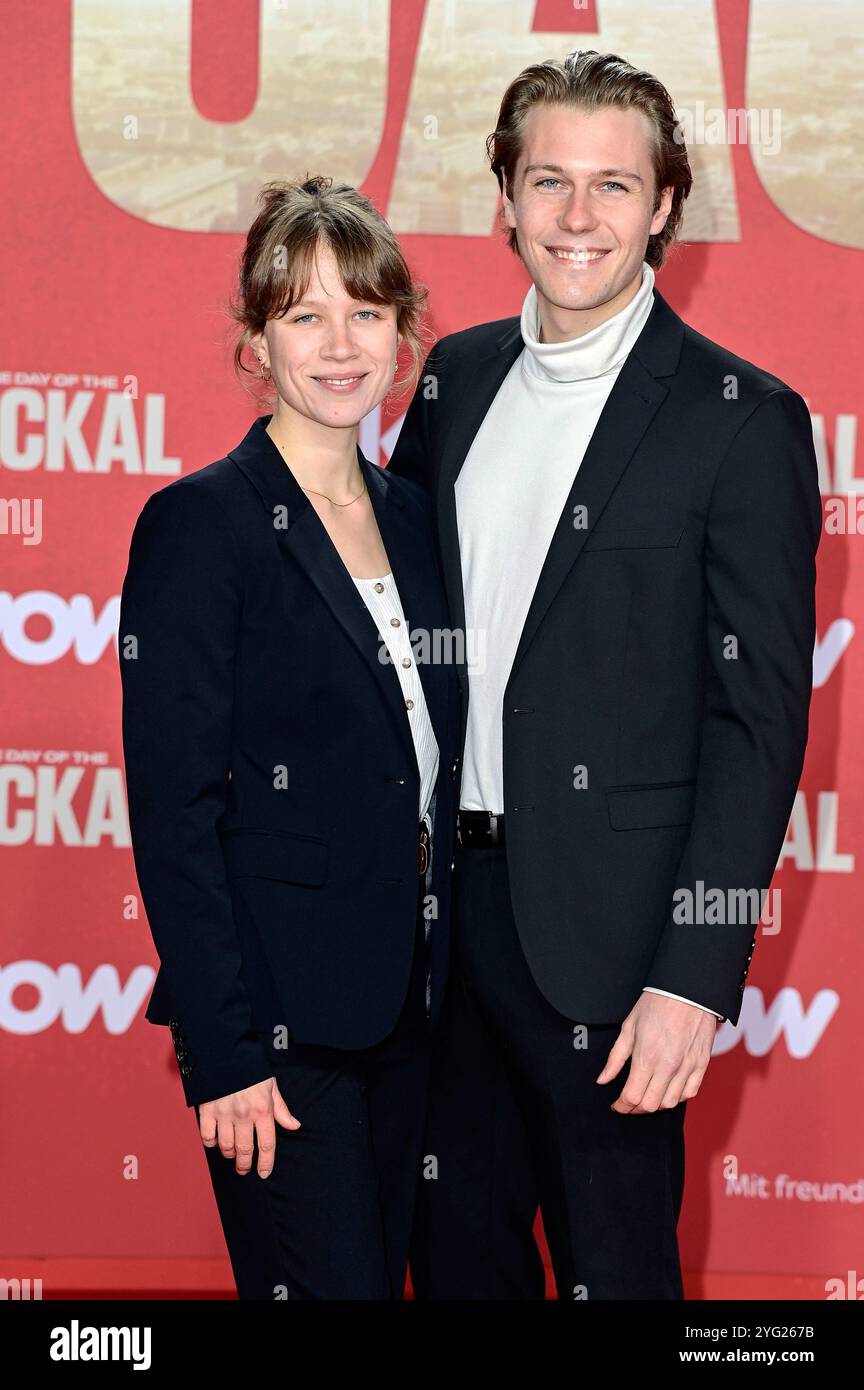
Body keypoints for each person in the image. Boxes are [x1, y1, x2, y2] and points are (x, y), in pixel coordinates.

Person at [388, 50, 821, 1299]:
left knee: (617, 1275)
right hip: (439, 927)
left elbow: (757, 724)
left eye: (615, 187)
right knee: (456, 1267)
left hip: (618, 952)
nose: (580, 218)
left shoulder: (742, 416)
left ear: (666, 206)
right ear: (506, 200)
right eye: (551, 182)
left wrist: (696, 973)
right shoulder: (454, 380)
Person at [119, 176, 460, 1300]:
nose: (339, 344)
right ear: (256, 337)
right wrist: (222, 1055)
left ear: (402, 330)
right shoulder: (201, 523)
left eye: (364, 311)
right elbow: (175, 812)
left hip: (412, 1013)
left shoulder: (415, 515)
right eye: (304, 313)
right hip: (277, 1034)